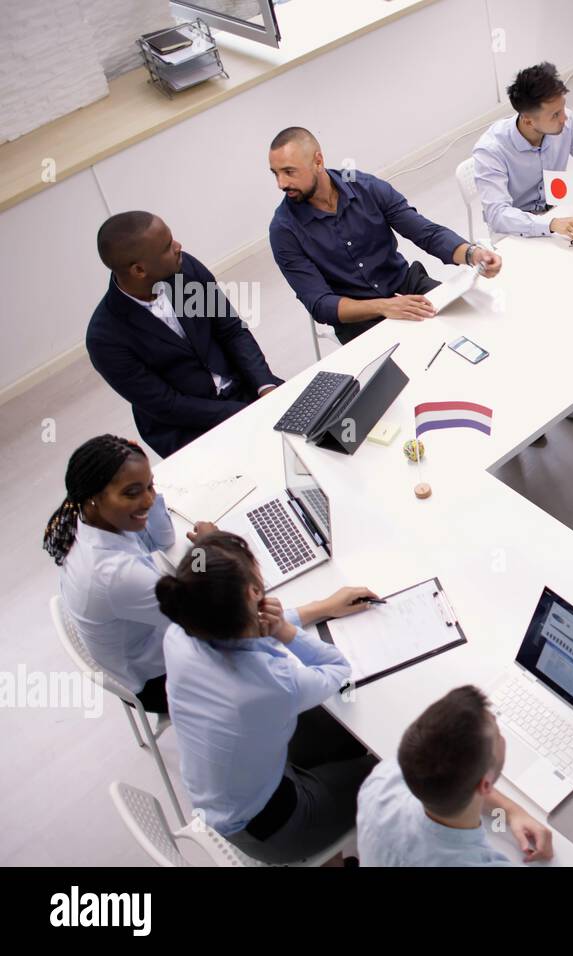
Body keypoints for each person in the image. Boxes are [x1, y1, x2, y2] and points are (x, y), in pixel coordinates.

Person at [157, 530, 380, 863]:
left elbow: (242, 632)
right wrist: (287, 632)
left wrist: (319, 608)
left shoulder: (180, 635)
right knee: (384, 769)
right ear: (254, 592)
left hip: (227, 798)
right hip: (277, 827)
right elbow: (336, 669)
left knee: (334, 728)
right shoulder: (271, 685)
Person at [357, 685, 573, 866]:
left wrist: (511, 810)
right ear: (484, 784)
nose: (502, 734)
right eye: (498, 734)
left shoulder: (380, 783)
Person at [268, 126, 502, 345]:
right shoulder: (284, 231)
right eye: (275, 174)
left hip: (406, 285)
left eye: (289, 172)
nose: (281, 183)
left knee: (476, 325)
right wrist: (384, 306)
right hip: (359, 319)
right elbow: (320, 304)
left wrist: (472, 254)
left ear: (318, 161)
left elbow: (425, 233)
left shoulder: (366, 187)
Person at [88, 212, 282, 458]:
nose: (179, 247)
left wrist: (265, 386)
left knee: (323, 429)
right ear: (139, 270)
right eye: (168, 246)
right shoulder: (105, 338)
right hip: (188, 429)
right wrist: (245, 414)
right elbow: (167, 405)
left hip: (245, 389)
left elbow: (231, 330)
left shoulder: (186, 269)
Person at [44, 435, 214, 713]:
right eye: (132, 492)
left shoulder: (89, 517)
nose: (148, 499)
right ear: (94, 497)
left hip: (141, 647)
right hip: (159, 681)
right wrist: (207, 549)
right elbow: (201, 614)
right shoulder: (113, 574)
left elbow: (161, 539)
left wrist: (147, 495)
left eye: (150, 485)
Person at [473, 61, 573, 241]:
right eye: (555, 115)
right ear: (528, 121)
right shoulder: (490, 151)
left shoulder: (566, 121)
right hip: (516, 230)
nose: (564, 118)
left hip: (558, 213)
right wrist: (549, 224)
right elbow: (497, 215)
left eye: (563, 108)